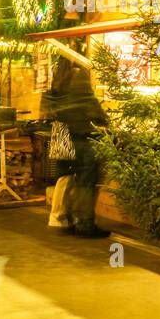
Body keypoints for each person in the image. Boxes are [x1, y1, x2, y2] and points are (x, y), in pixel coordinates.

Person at [47, 58, 109, 238]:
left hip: (61, 132)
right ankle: (84, 223)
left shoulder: (58, 76)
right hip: (81, 135)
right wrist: (102, 119)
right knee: (86, 180)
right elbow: (89, 105)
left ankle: (60, 218)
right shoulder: (79, 75)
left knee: (65, 176)